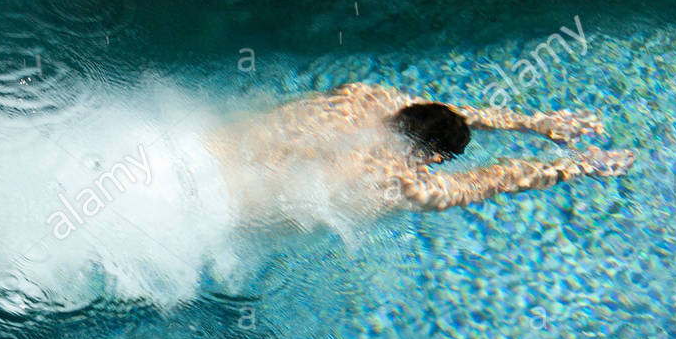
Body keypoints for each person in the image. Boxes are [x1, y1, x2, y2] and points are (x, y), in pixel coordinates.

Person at [202, 82, 635, 226]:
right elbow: (494, 180)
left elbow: (446, 114)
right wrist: (581, 165)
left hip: (206, 151)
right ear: (435, 159)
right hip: (225, 211)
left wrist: (532, 122)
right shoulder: (409, 183)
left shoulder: (364, 97)